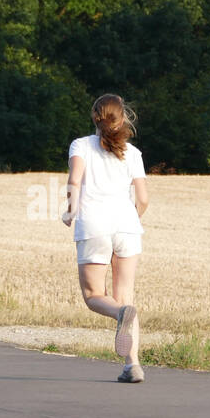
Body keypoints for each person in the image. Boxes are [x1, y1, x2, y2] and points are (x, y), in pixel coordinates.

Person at [62, 94, 149, 383]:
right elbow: (144, 199)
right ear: (122, 118)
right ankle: (133, 365)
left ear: (94, 117)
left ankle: (120, 313)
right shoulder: (133, 153)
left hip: (94, 225)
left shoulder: (81, 145)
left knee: (94, 296)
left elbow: (74, 181)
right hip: (127, 226)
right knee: (126, 296)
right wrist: (128, 220)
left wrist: (70, 211)